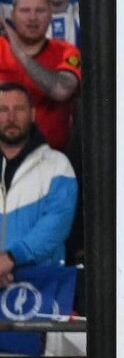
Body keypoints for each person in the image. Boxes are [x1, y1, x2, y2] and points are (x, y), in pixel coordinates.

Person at [0, 82, 75, 278]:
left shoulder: (57, 165)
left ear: (33, 114)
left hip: (43, 288)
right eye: (3, 109)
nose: (11, 117)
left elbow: (56, 224)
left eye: (19, 109)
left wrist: (10, 259)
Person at [0, 0, 80, 151]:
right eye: (25, 11)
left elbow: (61, 90)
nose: (32, 18)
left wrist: (19, 51)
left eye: (40, 11)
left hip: (53, 157)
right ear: (12, 15)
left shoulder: (67, 52)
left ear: (51, 15)